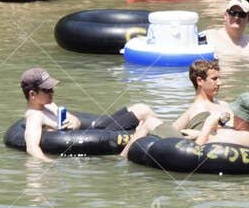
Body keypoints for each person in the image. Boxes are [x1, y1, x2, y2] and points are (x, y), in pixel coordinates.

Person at [17, 67, 159, 161]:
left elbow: (76, 122)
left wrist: (71, 121)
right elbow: (32, 148)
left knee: (142, 108)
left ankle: (167, 130)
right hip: (96, 139)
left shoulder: (49, 106)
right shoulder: (35, 116)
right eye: (47, 90)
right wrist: (49, 164)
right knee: (146, 120)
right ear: (32, 94)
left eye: (52, 88)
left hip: (93, 133)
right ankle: (169, 137)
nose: (52, 92)